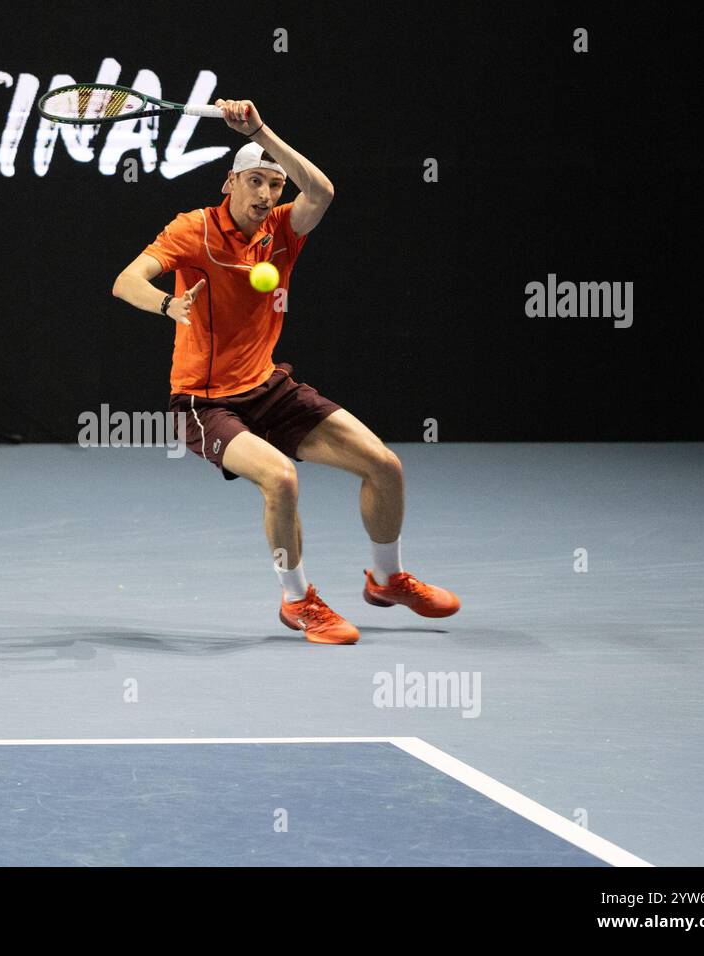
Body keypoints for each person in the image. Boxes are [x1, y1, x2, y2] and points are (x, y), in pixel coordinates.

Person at [111, 98, 460, 644]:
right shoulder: (192, 229)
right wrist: (166, 306)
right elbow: (126, 280)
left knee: (385, 465)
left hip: (269, 386)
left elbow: (321, 191)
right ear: (230, 183)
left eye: (274, 185)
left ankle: (386, 578)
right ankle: (298, 601)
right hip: (206, 403)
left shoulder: (283, 229)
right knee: (281, 478)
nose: (266, 195)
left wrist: (261, 131)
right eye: (255, 182)